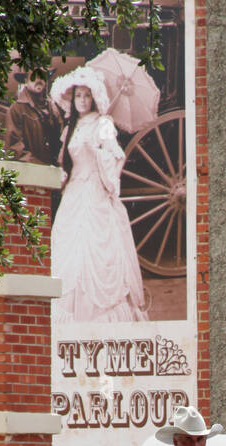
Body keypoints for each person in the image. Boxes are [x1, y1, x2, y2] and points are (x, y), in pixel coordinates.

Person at [49, 66, 147, 323]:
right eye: (78, 96)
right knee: (70, 248)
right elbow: (65, 159)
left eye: (86, 96)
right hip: (75, 193)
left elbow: (118, 156)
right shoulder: (72, 125)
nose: (82, 100)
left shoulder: (103, 123)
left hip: (95, 191)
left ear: (93, 98)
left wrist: (100, 152)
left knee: (96, 247)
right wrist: (62, 174)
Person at [3, 73, 62, 164]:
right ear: (26, 80)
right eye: (33, 76)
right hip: (30, 171)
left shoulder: (53, 107)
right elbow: (13, 148)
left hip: (53, 170)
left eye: (42, 75)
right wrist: (39, 165)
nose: (38, 80)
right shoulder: (17, 109)